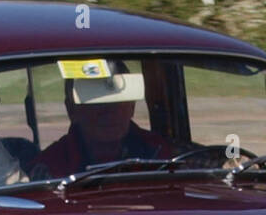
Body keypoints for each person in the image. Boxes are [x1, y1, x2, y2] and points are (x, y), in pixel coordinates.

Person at [36, 77, 170, 179]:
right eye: (96, 102)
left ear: (132, 106)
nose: (109, 112)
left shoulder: (164, 155)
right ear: (71, 110)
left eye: (118, 100)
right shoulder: (50, 166)